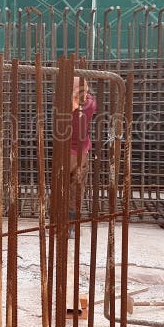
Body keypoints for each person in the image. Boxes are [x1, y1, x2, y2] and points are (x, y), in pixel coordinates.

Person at [69, 76, 97, 239]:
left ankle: (58, 220)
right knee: (77, 189)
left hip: (65, 154)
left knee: (62, 187)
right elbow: (89, 98)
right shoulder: (90, 105)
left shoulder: (64, 106)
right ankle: (71, 226)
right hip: (82, 155)